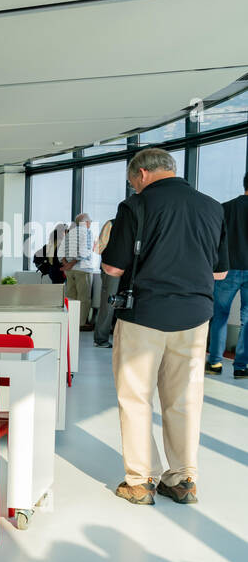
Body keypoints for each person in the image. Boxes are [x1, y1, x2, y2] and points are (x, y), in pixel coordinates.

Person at [101, 147, 228, 505]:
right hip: (195, 317)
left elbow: (113, 268)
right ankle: (183, 479)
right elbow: (220, 271)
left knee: (136, 397)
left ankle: (141, 482)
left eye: (132, 182)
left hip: (145, 313)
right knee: (185, 399)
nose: (133, 188)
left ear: (141, 174)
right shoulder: (212, 206)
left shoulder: (135, 207)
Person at [206, 172, 248, 378]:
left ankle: (214, 363)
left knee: (220, 316)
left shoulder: (226, 208)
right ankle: (241, 366)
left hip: (227, 270)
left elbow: (215, 240)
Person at [61, 213, 97, 328]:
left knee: (71, 297)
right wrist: (72, 263)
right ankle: (80, 323)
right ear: (86, 222)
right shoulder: (86, 232)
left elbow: (61, 252)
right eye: (90, 221)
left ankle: (70, 322)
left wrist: (66, 264)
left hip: (70, 271)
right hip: (83, 269)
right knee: (83, 298)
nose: (90, 224)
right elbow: (84, 251)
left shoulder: (69, 233)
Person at [92, 219, 117, 347]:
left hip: (124, 269)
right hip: (112, 269)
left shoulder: (113, 223)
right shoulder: (111, 224)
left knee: (114, 304)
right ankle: (101, 338)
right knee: (109, 303)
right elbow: (98, 249)